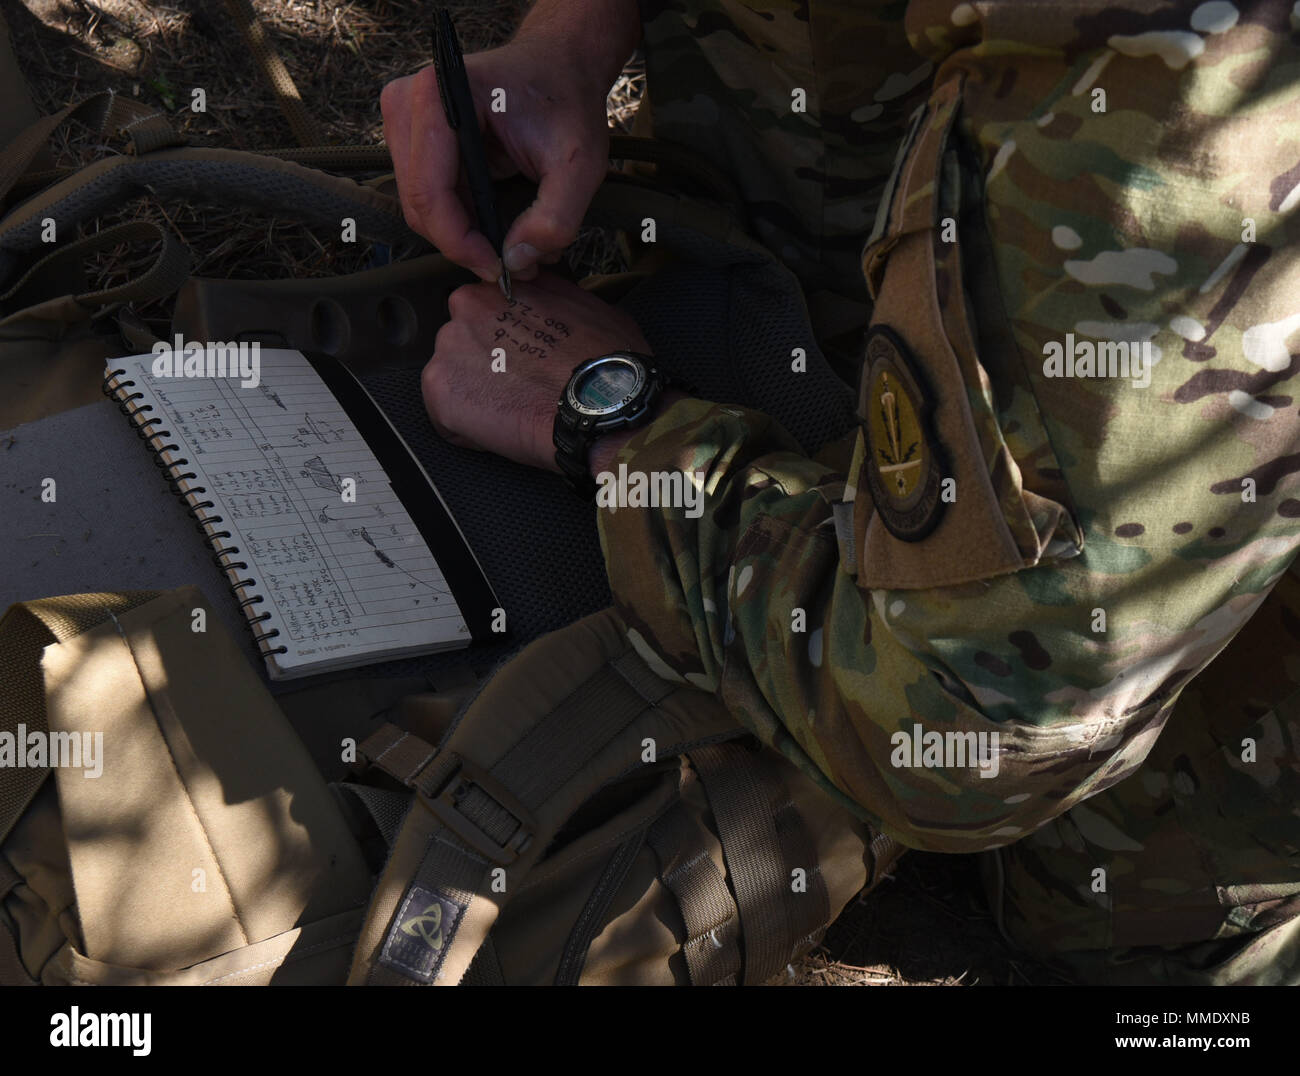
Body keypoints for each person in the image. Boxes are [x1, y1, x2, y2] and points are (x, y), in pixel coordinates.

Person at [380, 0, 1300, 985]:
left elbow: (968, 726)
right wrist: (572, 35)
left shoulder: (1196, 100)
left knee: (1138, 907)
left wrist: (617, 422)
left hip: (1155, 813)